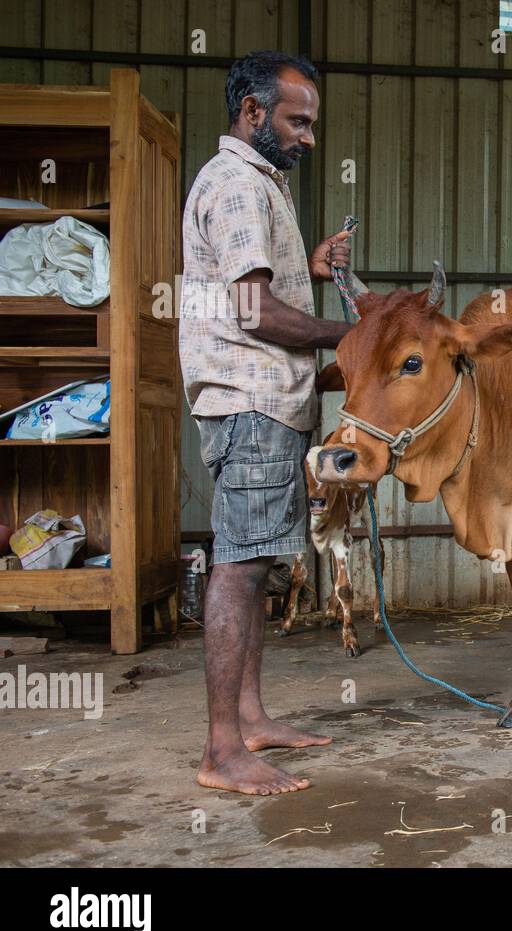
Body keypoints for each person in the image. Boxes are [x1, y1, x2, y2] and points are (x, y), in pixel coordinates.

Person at [180, 50, 356, 795]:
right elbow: (253, 311)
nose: (308, 137)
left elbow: (250, 285)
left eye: (311, 124)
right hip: (249, 401)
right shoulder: (238, 185)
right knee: (240, 569)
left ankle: (250, 718)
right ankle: (222, 750)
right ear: (252, 113)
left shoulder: (258, 183)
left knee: (256, 566)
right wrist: (350, 338)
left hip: (268, 404)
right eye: (297, 121)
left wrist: (308, 270)